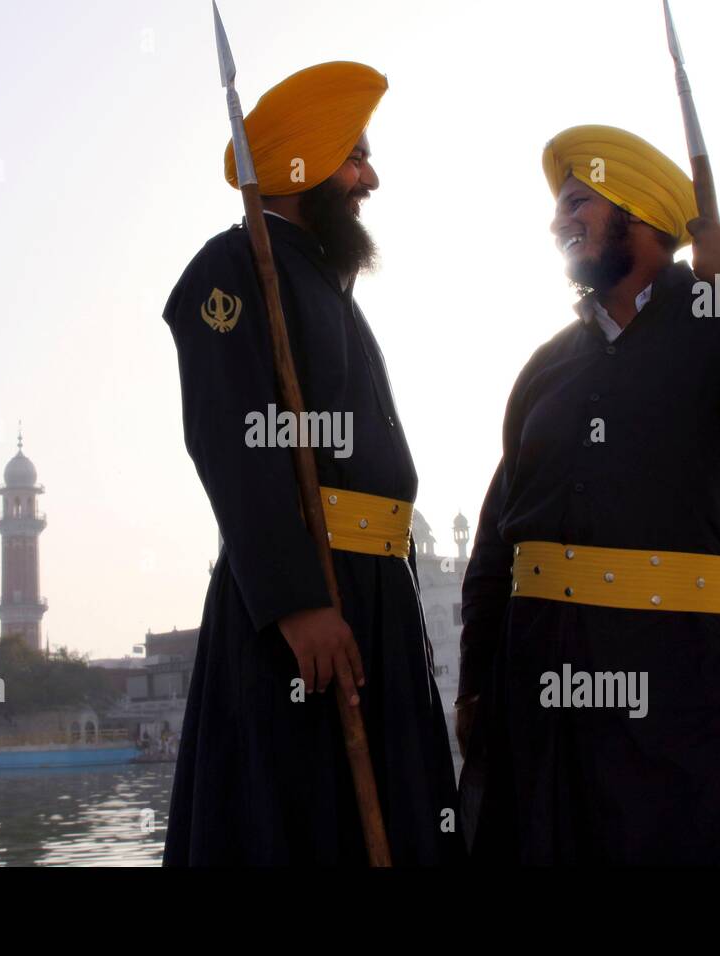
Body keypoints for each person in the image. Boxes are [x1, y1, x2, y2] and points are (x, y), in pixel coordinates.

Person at [457, 125, 720, 865]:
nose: (558, 221)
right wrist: (476, 685)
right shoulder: (545, 367)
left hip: (690, 694)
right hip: (545, 705)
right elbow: (496, 546)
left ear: (638, 211)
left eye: (578, 201)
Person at [161, 61, 462, 865]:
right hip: (307, 601)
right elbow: (231, 441)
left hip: (374, 596)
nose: (370, 177)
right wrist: (298, 602)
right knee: (298, 819)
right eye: (354, 155)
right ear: (300, 163)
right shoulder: (232, 270)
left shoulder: (325, 285)